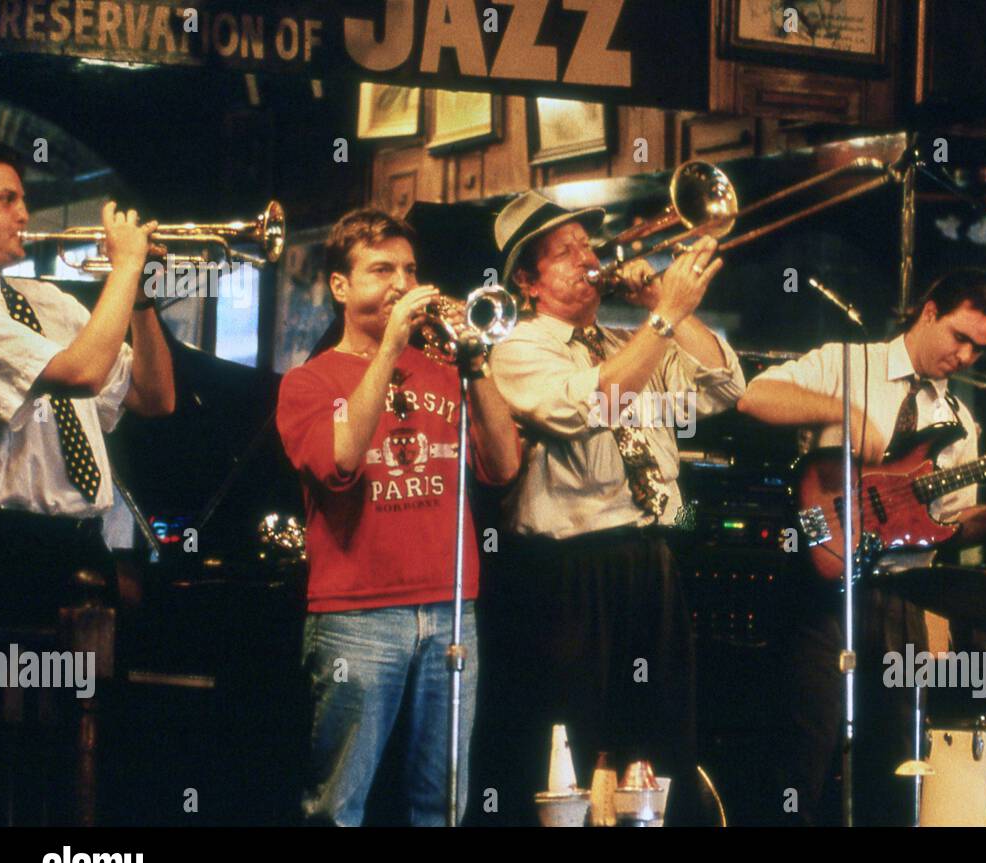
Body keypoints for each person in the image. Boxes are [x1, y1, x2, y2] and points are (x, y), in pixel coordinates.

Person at [736, 267, 986, 825]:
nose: (968, 357)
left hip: (904, 596)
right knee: (803, 755)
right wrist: (841, 410)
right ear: (928, 313)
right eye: (960, 338)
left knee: (899, 766)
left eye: (981, 349)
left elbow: (950, 527)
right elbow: (753, 398)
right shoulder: (847, 363)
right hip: (825, 590)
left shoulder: (959, 422)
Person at [482, 191, 746, 825]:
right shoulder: (517, 348)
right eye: (565, 253)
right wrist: (663, 322)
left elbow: (724, 387)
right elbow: (593, 405)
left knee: (657, 738)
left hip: (647, 558)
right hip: (570, 571)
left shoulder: (632, 339)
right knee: (578, 740)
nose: (588, 259)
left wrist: (664, 307)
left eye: (588, 247)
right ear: (527, 280)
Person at [276, 209, 520, 826]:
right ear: (340, 286)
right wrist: (388, 348)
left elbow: (504, 464)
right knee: (337, 806)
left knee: (443, 806)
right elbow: (341, 460)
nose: (401, 283)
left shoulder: (448, 371)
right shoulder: (308, 382)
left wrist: (477, 362)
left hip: (452, 608)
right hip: (357, 615)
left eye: (409, 270)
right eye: (381, 269)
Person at [0, 141, 175, 627]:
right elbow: (83, 374)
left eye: (24, 200)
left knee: (87, 697)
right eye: (6, 200)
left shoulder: (48, 301)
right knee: (19, 696)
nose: (25, 214)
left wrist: (139, 298)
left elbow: (154, 398)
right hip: (11, 544)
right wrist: (126, 265)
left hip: (83, 540)